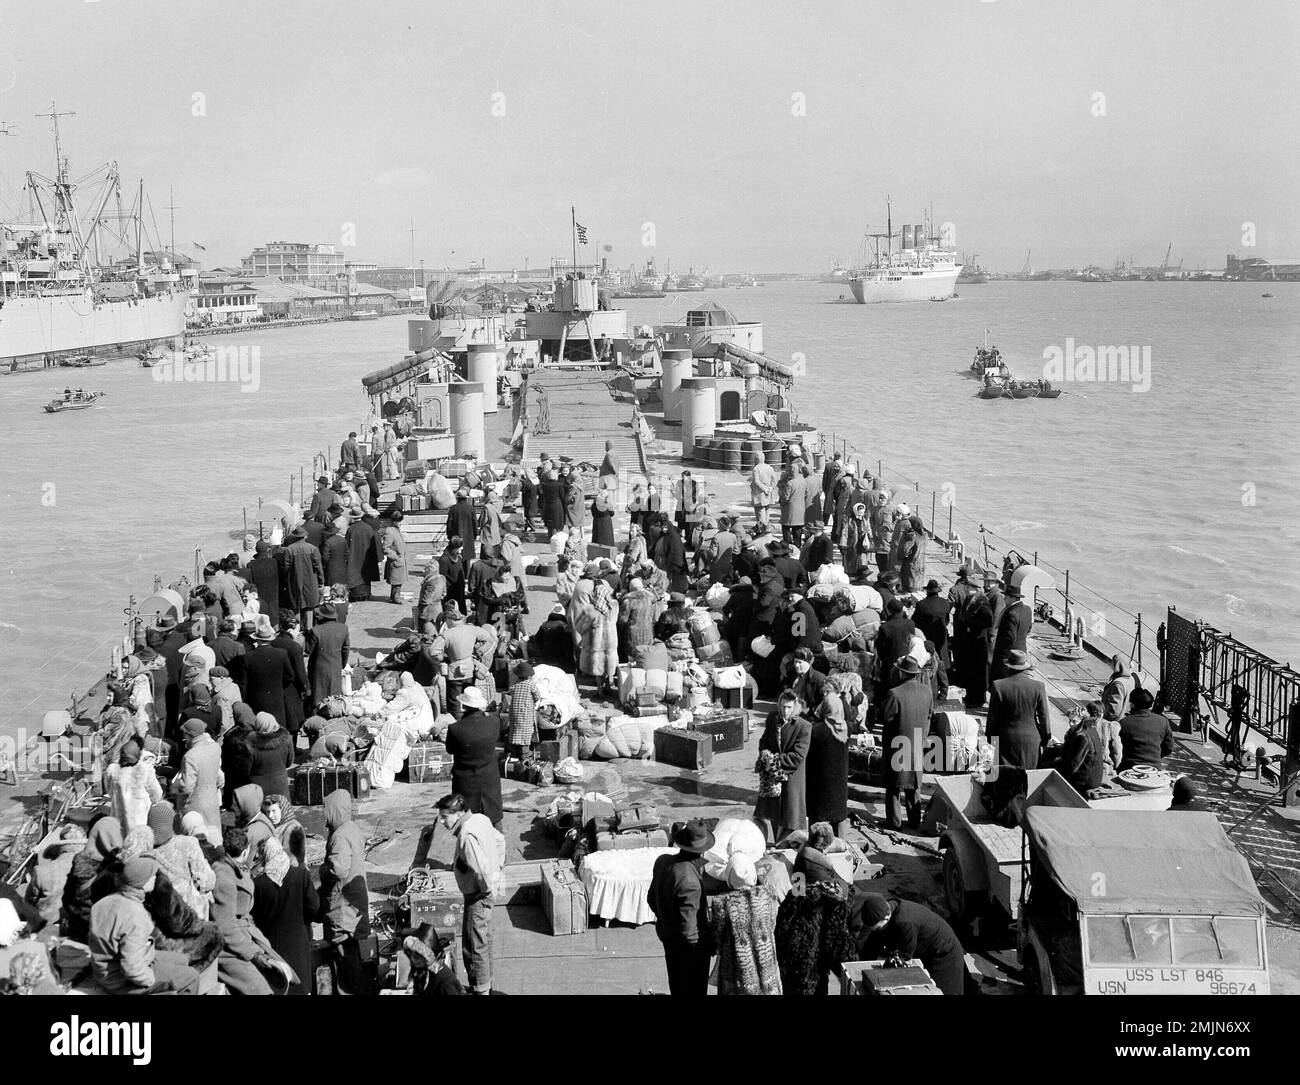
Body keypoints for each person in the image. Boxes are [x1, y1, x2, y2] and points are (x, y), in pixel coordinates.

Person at [88, 857, 202, 995]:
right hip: (121, 980)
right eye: (152, 875)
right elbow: (132, 968)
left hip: (105, 969)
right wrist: (151, 980)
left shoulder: (103, 902)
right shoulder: (135, 915)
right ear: (142, 882)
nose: (155, 878)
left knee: (182, 960)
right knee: (191, 976)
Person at [437, 793, 505, 996]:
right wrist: (498, 867)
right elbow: (500, 841)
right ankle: (486, 985)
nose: (441, 821)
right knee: (483, 940)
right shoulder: (480, 819)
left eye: (444, 817)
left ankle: (481, 990)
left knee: (474, 946)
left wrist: (485, 889)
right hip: (484, 892)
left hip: (478, 895)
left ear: (457, 814)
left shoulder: (466, 834)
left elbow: (481, 870)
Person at [212, 826, 290, 995]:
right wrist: (254, 955)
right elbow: (226, 928)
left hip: (244, 936)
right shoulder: (224, 877)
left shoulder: (234, 868)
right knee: (260, 988)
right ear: (246, 851)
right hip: (230, 949)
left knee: (280, 974)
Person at [848, 893, 965, 996]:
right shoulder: (885, 908)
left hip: (944, 955)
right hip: (925, 949)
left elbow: (904, 957)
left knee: (939, 991)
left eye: (878, 928)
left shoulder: (905, 922)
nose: (877, 931)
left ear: (887, 917)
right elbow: (873, 941)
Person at [648, 820, 715, 996]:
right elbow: (689, 932)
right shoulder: (690, 883)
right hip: (689, 950)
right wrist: (703, 950)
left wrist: (666, 918)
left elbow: (651, 898)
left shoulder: (663, 862)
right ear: (702, 850)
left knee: (676, 984)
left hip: (668, 937)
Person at [318, 790, 372, 995]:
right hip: (354, 901)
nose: (325, 814)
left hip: (343, 907)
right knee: (352, 957)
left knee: (345, 962)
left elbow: (339, 869)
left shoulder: (339, 835)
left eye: (326, 809)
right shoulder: (352, 828)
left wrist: (323, 869)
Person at [251, 836, 318, 996]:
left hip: (273, 950)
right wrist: (302, 923)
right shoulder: (301, 875)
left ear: (264, 855)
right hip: (298, 947)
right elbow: (313, 907)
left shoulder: (258, 884)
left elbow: (254, 919)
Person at [880, 655, 933, 829]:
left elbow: (886, 718)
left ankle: (894, 821)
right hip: (917, 742)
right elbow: (929, 716)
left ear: (902, 673)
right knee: (914, 783)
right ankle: (914, 819)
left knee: (894, 785)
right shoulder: (927, 692)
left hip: (897, 744)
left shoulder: (894, 693)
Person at [753, 691, 812, 844]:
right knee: (773, 814)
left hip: (791, 779)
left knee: (789, 819)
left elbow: (798, 756)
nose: (785, 711)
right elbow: (764, 741)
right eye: (783, 706)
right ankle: (778, 845)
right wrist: (764, 752)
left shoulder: (804, 726)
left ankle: (784, 848)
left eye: (789, 707)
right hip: (772, 781)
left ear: (795, 706)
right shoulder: (773, 719)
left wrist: (772, 760)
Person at [445, 686, 503, 828]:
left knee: (467, 823)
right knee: (494, 819)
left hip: (465, 782)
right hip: (489, 778)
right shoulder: (494, 722)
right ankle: (498, 848)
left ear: (463, 705)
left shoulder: (455, 729)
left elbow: (450, 749)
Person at [147, 800, 215, 921]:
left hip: (167, 918)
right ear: (171, 823)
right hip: (194, 913)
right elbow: (204, 880)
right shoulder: (188, 843)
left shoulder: (148, 857)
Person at [986, 649, 1053, 770]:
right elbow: (1044, 717)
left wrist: (990, 738)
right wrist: (1045, 738)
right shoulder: (1038, 686)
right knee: (1029, 777)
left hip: (1006, 738)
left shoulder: (998, 685)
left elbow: (992, 718)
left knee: (1007, 777)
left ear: (1008, 667)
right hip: (1031, 739)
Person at [61, 816, 123, 942]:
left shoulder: (79, 861)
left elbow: (67, 898)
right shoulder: (118, 868)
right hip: (106, 935)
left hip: (80, 930)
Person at [806, 694, 850, 839]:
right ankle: (842, 849)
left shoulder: (816, 729)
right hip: (839, 784)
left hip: (820, 785)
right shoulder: (846, 728)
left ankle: (817, 854)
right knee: (839, 820)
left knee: (818, 824)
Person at [24, 826, 85, 927]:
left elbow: (29, 902)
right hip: (79, 927)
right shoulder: (94, 869)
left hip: (46, 925)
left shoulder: (42, 871)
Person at [243, 621, 295, 727]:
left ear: (257, 639)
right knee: (277, 728)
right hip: (277, 697)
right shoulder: (281, 653)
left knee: (260, 727)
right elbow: (290, 676)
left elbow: (245, 681)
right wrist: (279, 685)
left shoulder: (248, 657)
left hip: (256, 698)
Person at [106, 739, 163, 831]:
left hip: (117, 820)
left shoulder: (113, 770)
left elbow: (110, 791)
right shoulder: (144, 770)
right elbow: (157, 794)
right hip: (140, 821)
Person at [280, 524, 325, 630]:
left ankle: (297, 629)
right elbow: (318, 567)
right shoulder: (313, 549)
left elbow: (285, 568)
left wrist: (287, 580)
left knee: (296, 606)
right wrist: (321, 581)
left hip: (294, 581)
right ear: (305, 536)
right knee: (309, 607)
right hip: (310, 581)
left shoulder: (289, 550)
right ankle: (309, 629)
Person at [1118, 688, 1174, 771]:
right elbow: (1168, 748)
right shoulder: (1163, 721)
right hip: (1155, 768)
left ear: (1132, 704)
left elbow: (1117, 748)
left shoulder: (1124, 722)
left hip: (1129, 768)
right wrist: (1154, 757)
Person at [402, 923, 466, 995]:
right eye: (410, 955)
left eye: (418, 955)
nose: (413, 959)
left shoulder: (444, 979)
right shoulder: (421, 972)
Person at [306, 602, 350, 706]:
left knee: (318, 699)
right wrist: (341, 665)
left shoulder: (316, 631)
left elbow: (308, 650)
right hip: (335, 667)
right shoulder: (343, 628)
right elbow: (346, 649)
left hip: (319, 670)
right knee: (334, 698)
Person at [243, 712, 294, 799]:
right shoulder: (286, 739)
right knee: (281, 809)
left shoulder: (249, 743)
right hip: (280, 786)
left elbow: (246, 769)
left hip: (258, 789)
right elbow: (289, 763)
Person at [1057, 706, 1106, 796]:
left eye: (1074, 721)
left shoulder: (1082, 737)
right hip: (1094, 777)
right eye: (1069, 720)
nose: (1071, 724)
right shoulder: (1091, 729)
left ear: (1082, 721)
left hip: (1086, 780)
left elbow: (1073, 766)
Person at [990, 582, 1032, 682]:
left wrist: (998, 650)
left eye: (1006, 597)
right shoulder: (1027, 609)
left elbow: (1010, 638)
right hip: (1022, 651)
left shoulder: (1011, 613)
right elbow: (1029, 629)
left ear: (1012, 598)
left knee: (1001, 681)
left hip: (1007, 655)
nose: (1004, 599)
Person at [345, 509, 382, 602]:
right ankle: (366, 594)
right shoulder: (368, 528)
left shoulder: (351, 529)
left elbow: (346, 545)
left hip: (353, 556)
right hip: (366, 556)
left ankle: (355, 595)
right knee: (365, 575)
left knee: (354, 574)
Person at [505, 663, 539, 758]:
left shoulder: (514, 685)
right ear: (529, 675)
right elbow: (537, 696)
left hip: (514, 713)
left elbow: (511, 693)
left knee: (516, 731)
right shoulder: (530, 684)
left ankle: (516, 754)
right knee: (525, 732)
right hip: (525, 713)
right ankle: (525, 755)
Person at [439, 536, 469, 612]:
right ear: (455, 548)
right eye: (460, 547)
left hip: (459, 590)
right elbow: (442, 577)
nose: (462, 549)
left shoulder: (457, 557)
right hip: (451, 593)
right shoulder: (444, 560)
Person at [750, 459, 778, 529]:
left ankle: (762, 530)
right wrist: (770, 488)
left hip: (759, 494)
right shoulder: (769, 467)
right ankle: (767, 528)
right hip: (768, 493)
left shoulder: (756, 468)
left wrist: (764, 489)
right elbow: (774, 480)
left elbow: (757, 482)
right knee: (767, 512)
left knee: (760, 514)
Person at [591, 475, 616, 547]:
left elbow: (593, 511)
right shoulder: (608, 500)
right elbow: (612, 513)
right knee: (607, 540)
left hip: (597, 521)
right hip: (606, 522)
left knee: (597, 540)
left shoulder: (595, 500)